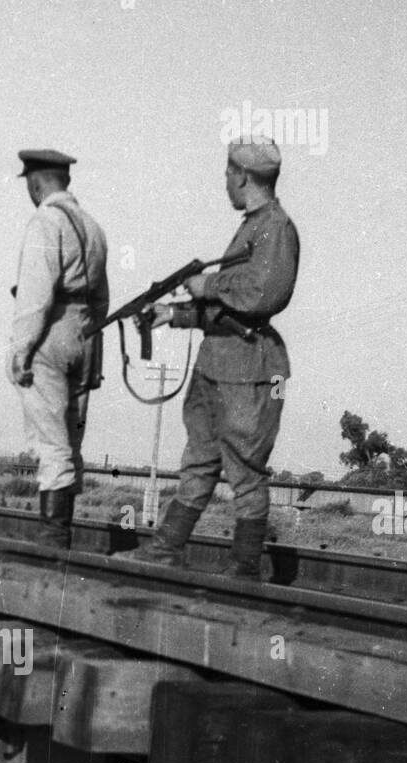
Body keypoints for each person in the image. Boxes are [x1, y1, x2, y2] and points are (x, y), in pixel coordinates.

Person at [148, 137, 300, 577]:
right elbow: (230, 305)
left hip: (249, 370)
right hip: (219, 364)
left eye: (228, 174)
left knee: (245, 468)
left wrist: (208, 285)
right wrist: (172, 315)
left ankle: (245, 566)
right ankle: (167, 547)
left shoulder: (275, 227)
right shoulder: (254, 226)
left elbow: (263, 294)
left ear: (243, 177)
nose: (226, 183)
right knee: (198, 458)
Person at [9, 149, 109, 549]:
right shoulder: (93, 227)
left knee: (52, 444)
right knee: (70, 441)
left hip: (50, 334)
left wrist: (21, 349)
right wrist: (92, 355)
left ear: (35, 183)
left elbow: (34, 295)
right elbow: (102, 299)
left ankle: (54, 541)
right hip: (84, 336)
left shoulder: (45, 222)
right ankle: (60, 535)